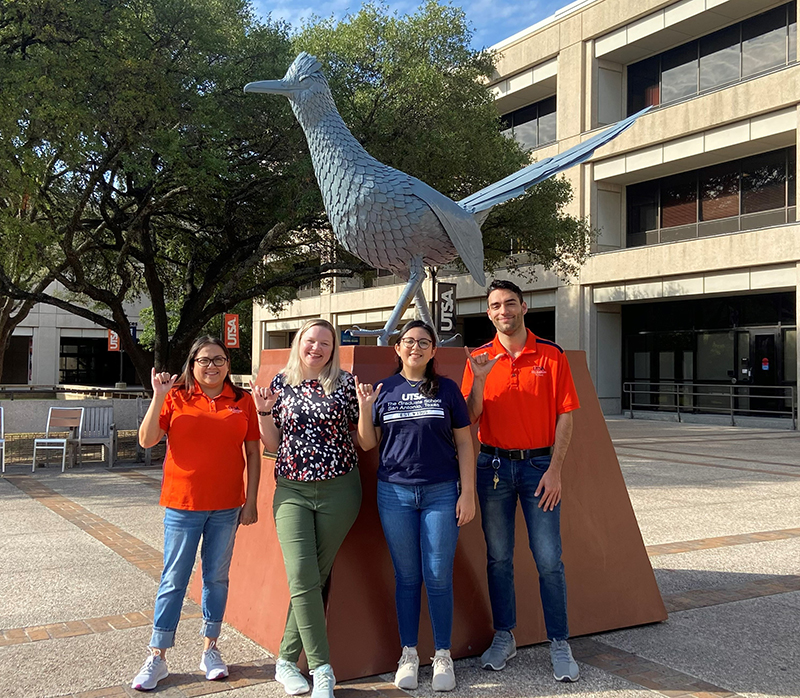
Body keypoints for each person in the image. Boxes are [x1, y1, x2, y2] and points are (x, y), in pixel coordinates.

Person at [461, 279, 581, 683]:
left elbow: (566, 415)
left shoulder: (551, 354)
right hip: (493, 468)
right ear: (488, 312)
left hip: (539, 469)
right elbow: (470, 416)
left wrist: (555, 470)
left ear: (524, 307)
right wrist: (479, 378)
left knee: (548, 559)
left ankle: (559, 641)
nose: (503, 311)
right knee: (499, 557)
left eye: (510, 303)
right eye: (496, 305)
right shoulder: (479, 358)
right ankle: (504, 635)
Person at [132, 336, 262, 692]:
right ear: (192, 364)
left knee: (216, 579)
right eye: (204, 360)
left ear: (228, 364)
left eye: (219, 359)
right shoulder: (175, 396)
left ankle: (211, 648)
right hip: (182, 505)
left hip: (226, 506)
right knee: (173, 579)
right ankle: (157, 656)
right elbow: (146, 440)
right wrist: (158, 396)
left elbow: (253, 453)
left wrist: (251, 501)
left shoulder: (242, 400)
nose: (211, 366)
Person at [356, 320, 475, 692]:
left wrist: (468, 492)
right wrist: (365, 408)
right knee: (407, 577)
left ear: (433, 350)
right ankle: (408, 653)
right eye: (409, 341)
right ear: (397, 348)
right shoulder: (385, 389)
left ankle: (442, 654)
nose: (416, 347)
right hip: (395, 494)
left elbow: (465, 443)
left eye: (424, 342)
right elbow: (367, 443)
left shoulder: (447, 390)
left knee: (438, 576)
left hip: (441, 492)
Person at [250, 319, 361, 698]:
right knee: (301, 575)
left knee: (314, 578)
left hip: (340, 490)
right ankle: (322, 669)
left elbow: (362, 436)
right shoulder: (281, 383)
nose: (316, 348)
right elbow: (272, 444)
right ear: (299, 343)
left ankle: (285, 661)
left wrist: (366, 408)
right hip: (292, 490)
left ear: (333, 349)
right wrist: (263, 412)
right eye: (310, 341)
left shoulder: (345, 384)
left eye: (325, 343)